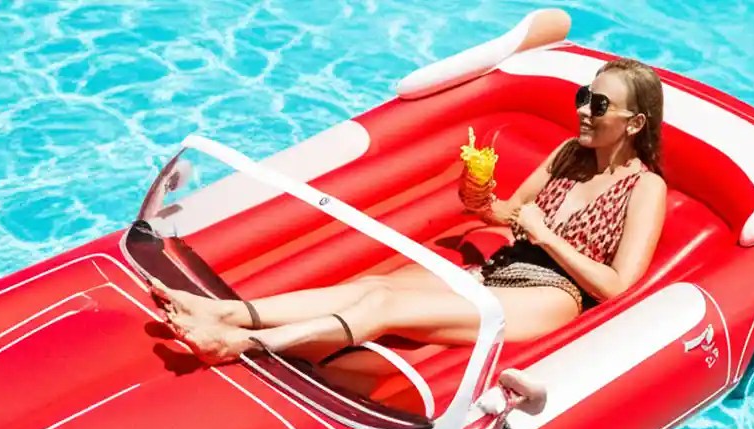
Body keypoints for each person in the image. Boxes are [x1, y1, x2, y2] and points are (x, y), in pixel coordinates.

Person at [148, 57, 668, 366]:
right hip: (500, 271)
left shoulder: (645, 188)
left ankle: (241, 344)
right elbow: (510, 214)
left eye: (598, 105)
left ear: (635, 122)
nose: (582, 109)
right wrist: (481, 199)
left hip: (551, 295)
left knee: (387, 310)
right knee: (375, 289)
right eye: (584, 96)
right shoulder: (567, 155)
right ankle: (223, 311)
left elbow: (618, 285)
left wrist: (547, 238)